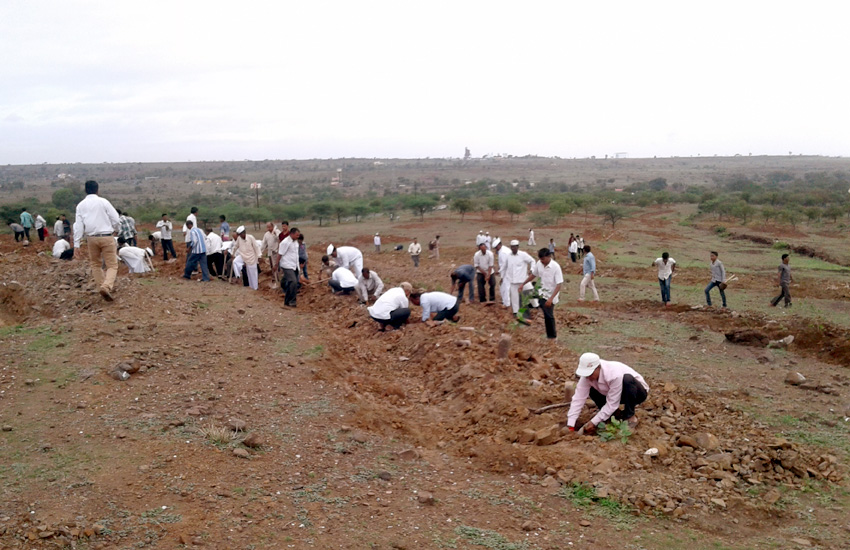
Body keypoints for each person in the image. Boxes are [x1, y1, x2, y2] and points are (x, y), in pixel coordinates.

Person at [566, 353, 649, 433]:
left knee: (627, 379)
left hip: (636, 393)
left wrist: (593, 422)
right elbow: (578, 399)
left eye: (590, 374)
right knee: (590, 388)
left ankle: (630, 417)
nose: (588, 377)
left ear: (598, 367)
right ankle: (613, 414)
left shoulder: (613, 374)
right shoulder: (587, 378)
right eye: (586, 374)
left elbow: (612, 403)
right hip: (612, 392)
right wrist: (571, 424)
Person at [73, 180, 120, 301]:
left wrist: (76, 244)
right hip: (106, 236)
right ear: (97, 190)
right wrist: (116, 230)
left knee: (95, 264)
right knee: (112, 265)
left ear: (85, 190)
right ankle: (106, 286)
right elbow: (115, 218)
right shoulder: (103, 202)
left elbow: (78, 226)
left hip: (91, 238)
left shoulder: (80, 205)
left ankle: (101, 287)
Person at [522, 248, 564, 339]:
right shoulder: (539, 263)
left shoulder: (555, 267)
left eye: (543, 259)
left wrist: (551, 299)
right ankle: (527, 317)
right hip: (541, 292)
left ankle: (552, 337)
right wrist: (523, 283)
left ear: (549, 257)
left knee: (549, 316)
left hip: (550, 295)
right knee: (527, 296)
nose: (542, 261)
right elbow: (533, 275)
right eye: (540, 259)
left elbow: (559, 284)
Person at [504, 240, 535, 315]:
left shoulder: (523, 255)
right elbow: (505, 267)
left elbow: (532, 261)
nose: (513, 248)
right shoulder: (508, 256)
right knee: (514, 297)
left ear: (518, 247)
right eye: (512, 247)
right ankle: (516, 312)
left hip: (523, 280)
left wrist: (532, 269)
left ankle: (535, 305)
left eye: (514, 247)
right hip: (513, 280)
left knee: (530, 291)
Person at [231, 226, 262, 290]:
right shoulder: (239, 239)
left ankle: (255, 288)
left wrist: (259, 256)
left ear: (244, 233)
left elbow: (256, 247)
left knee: (252, 274)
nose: (241, 236)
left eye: (241, 234)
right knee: (235, 262)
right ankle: (238, 276)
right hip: (242, 256)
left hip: (252, 258)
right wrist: (232, 253)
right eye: (240, 234)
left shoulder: (250, 237)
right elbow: (235, 246)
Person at [279, 227, 301, 307]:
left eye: (298, 235)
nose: (298, 237)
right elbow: (280, 254)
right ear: (291, 234)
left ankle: (287, 301)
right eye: (296, 235)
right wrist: (276, 265)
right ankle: (292, 301)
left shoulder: (295, 242)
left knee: (291, 284)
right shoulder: (285, 242)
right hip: (287, 265)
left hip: (295, 265)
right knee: (293, 281)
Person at [493, 238, 511, 308]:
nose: (496, 249)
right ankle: (505, 300)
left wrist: (501, 275)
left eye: (496, 247)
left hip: (507, 272)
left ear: (499, 245)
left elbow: (504, 265)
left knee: (505, 287)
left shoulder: (503, 252)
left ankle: (507, 303)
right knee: (504, 287)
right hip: (508, 271)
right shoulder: (504, 249)